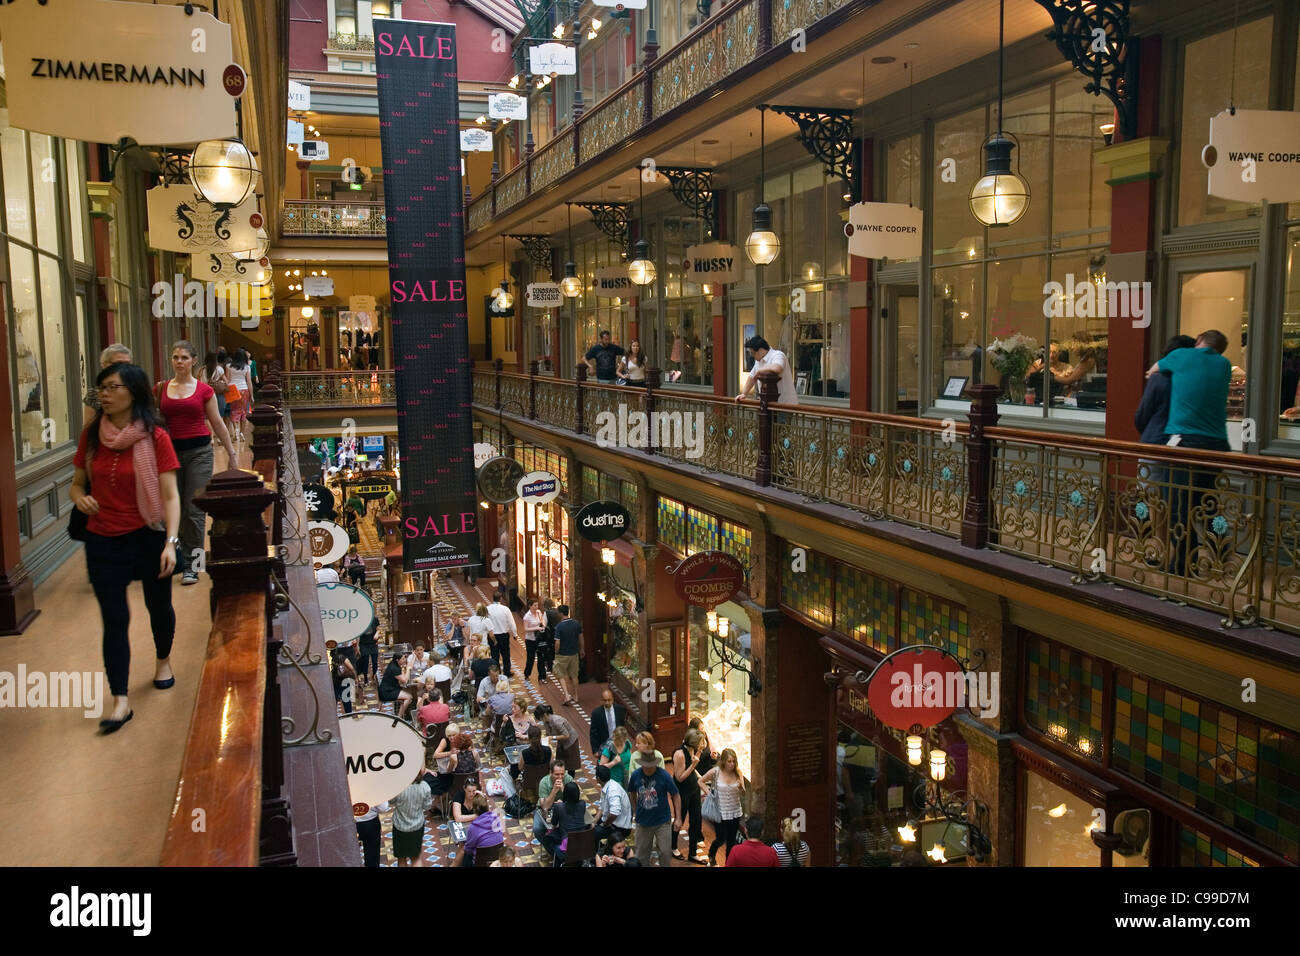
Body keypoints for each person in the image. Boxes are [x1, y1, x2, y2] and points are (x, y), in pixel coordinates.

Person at [71, 362, 182, 733]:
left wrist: (170, 542)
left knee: (158, 606)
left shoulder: (156, 438)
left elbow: (170, 495)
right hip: (103, 538)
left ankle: (163, 659)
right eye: (101, 387)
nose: (103, 393)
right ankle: (120, 699)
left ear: (132, 392)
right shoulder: (91, 437)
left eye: (112, 386)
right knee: (114, 620)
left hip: (147, 535)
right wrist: (79, 499)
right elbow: (76, 484)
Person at [1152, 330, 1233, 576]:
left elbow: (1154, 370)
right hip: (1218, 444)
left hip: (1185, 441)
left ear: (1198, 341)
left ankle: (1185, 562)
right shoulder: (1225, 364)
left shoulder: (1182, 356)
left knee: (1178, 504)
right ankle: (1221, 554)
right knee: (1207, 501)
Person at [156, 341, 236, 585]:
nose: (179, 361)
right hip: (170, 453)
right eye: (175, 357)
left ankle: (195, 565)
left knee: (195, 509)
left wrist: (232, 453)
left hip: (199, 452)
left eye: (183, 357)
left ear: (193, 361)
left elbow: (217, 422)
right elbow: (153, 422)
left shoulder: (203, 390)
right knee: (172, 508)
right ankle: (178, 556)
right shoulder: (161, 389)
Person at [627, 750, 681, 867]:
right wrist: (635, 810)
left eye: (651, 766)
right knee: (642, 854)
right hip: (643, 822)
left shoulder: (664, 775)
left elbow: (676, 795)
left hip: (663, 821)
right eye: (646, 766)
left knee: (666, 852)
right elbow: (632, 792)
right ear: (642, 764)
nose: (649, 769)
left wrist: (678, 818)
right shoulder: (636, 775)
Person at [700, 747, 746, 865]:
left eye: (734, 761)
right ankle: (712, 853)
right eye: (729, 761)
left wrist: (741, 787)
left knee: (731, 842)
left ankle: (728, 864)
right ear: (724, 761)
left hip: (735, 811)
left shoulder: (738, 772)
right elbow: (700, 781)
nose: (732, 764)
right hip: (720, 811)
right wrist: (709, 793)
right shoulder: (716, 772)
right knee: (720, 839)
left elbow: (742, 793)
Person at [672, 728, 707, 863]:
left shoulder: (695, 750)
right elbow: (680, 778)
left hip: (694, 789)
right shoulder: (680, 754)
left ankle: (693, 853)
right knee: (679, 820)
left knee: (696, 821)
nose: (703, 743)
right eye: (701, 742)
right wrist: (693, 765)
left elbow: (693, 771)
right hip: (682, 792)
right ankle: (673, 846)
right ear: (694, 743)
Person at [736, 335, 797, 405]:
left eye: (753, 353)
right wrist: (744, 394)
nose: (753, 356)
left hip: (784, 404)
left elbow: (777, 368)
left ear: (761, 350)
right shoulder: (759, 361)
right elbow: (752, 377)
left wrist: (759, 371)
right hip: (767, 405)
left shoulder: (778, 355)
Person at [390, 769, 432, 867]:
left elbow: (391, 801)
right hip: (417, 826)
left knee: (401, 858)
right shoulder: (424, 786)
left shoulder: (399, 787)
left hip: (400, 826)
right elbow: (427, 806)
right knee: (415, 857)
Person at [83, 344, 132, 426]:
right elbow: (88, 428)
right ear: (104, 365)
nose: (124, 368)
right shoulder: (95, 395)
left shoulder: (138, 390)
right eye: (118, 364)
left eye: (127, 364)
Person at [541, 780, 589, 863]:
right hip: (583, 847)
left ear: (565, 794)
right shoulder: (582, 804)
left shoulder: (559, 807)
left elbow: (553, 824)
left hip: (567, 850)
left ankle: (556, 859)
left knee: (549, 838)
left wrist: (561, 804)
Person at [453, 793, 506, 867]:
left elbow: (469, 849)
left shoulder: (473, 827)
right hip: (497, 858)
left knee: (463, 851)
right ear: (487, 806)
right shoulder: (497, 818)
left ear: (474, 810)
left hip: (479, 863)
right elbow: (502, 833)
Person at [532, 758, 575, 843]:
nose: (560, 777)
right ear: (551, 773)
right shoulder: (544, 782)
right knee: (537, 829)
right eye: (557, 774)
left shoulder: (569, 779)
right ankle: (551, 848)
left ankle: (561, 846)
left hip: (563, 809)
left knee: (575, 826)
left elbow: (573, 801)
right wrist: (554, 791)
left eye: (562, 774)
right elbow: (545, 807)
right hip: (544, 811)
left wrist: (564, 791)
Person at [594, 763, 633, 846]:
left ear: (598, 778)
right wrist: (594, 822)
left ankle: (595, 854)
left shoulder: (612, 791)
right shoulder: (607, 785)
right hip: (612, 821)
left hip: (621, 827)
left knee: (595, 832)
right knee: (590, 825)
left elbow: (614, 813)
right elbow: (601, 807)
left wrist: (605, 824)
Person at [552, 604, 582, 705]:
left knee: (559, 674)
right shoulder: (576, 623)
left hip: (562, 654)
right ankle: (576, 695)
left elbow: (557, 642)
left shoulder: (559, 626)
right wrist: (582, 650)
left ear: (560, 613)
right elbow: (581, 638)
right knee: (574, 675)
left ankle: (566, 695)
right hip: (574, 653)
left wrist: (556, 652)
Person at [537, 704, 581, 771]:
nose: (540, 720)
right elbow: (548, 733)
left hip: (571, 743)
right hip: (561, 744)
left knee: (571, 767)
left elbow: (566, 735)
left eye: (540, 718)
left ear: (545, 715)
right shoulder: (546, 722)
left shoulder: (556, 721)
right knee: (559, 765)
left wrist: (552, 737)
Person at [485, 591, 518, 677]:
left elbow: (485, 622)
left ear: (493, 598)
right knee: (506, 654)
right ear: (500, 598)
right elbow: (511, 622)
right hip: (503, 634)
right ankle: (507, 671)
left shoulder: (487, 609)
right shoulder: (505, 609)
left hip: (492, 635)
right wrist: (515, 634)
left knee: (494, 654)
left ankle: (497, 672)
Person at [226, 348, 255, 444]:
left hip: (233, 390)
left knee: (234, 411)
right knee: (244, 411)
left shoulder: (228, 366)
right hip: (244, 390)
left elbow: (228, 380)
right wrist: (251, 395)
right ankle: (242, 432)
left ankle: (236, 431)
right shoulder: (247, 367)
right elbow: (249, 382)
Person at [589, 686, 627, 755]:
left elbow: (623, 727)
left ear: (613, 699)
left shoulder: (620, 710)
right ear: (601, 700)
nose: (607, 702)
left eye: (609, 700)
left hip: (618, 743)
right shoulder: (596, 713)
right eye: (605, 700)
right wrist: (595, 750)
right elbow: (593, 733)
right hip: (604, 746)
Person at [378, 651, 414, 718]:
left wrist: (403, 669)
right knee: (409, 697)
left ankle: (405, 713)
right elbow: (405, 681)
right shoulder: (394, 668)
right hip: (387, 692)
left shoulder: (394, 664)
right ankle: (399, 717)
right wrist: (408, 669)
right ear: (397, 660)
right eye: (403, 659)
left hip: (391, 687)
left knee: (409, 690)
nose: (404, 660)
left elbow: (401, 676)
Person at [353, 799, 388, 867]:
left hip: (348, 823)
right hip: (370, 823)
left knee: (348, 856)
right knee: (372, 857)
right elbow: (383, 807)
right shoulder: (373, 788)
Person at [522, 599, 545, 680]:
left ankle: (542, 676)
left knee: (541, 657)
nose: (536, 607)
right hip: (530, 640)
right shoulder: (527, 616)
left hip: (539, 639)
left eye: (537, 605)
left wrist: (543, 626)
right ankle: (527, 674)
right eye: (534, 605)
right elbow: (525, 629)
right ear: (530, 606)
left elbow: (542, 621)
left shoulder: (538, 612)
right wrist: (536, 628)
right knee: (530, 658)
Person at [332, 646, 357, 715]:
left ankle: (334, 715)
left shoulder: (335, 659)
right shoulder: (343, 658)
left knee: (335, 700)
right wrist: (356, 679)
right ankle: (348, 715)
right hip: (345, 682)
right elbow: (351, 669)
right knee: (347, 702)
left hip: (336, 682)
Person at [356, 618, 380, 687]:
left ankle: (374, 675)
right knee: (365, 662)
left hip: (373, 644)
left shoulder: (375, 619)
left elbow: (378, 629)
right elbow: (358, 634)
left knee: (375, 661)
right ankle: (365, 677)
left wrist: (377, 633)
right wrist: (357, 646)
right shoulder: (360, 620)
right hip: (364, 644)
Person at [540, 597, 559, 679]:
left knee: (551, 650)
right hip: (560, 634)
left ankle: (550, 667)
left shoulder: (546, 613)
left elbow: (544, 624)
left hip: (551, 635)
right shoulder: (559, 611)